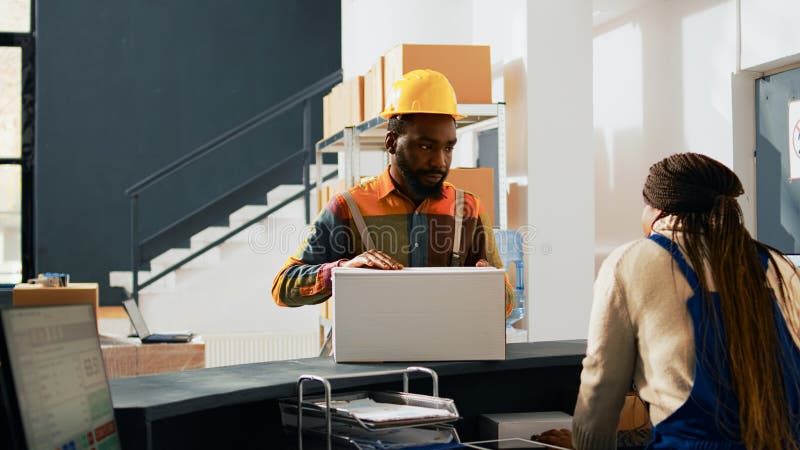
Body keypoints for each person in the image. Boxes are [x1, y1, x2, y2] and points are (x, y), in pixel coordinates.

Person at [537, 153, 800, 450]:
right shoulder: (780, 266)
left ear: (656, 209)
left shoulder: (633, 261)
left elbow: (602, 381)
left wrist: (586, 444)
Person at [272, 69, 513, 313]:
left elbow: (505, 303)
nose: (440, 162)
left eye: (448, 148)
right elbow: (282, 286)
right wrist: (341, 271)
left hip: (447, 350)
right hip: (372, 351)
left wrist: (491, 285)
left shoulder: (468, 209)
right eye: (426, 146)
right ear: (391, 143)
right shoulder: (347, 208)